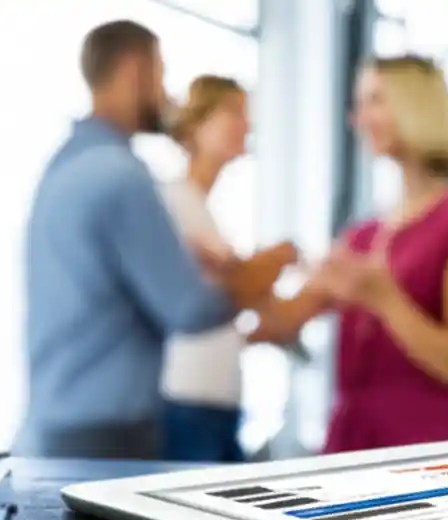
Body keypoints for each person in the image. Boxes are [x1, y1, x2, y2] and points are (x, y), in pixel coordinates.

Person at [19, 20, 291, 460]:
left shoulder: (65, 168)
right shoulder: (123, 175)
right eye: (161, 74)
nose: (167, 95)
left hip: (59, 422)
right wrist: (264, 269)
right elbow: (190, 308)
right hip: (108, 433)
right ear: (134, 71)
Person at [251, 55, 448, 453]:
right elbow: (282, 322)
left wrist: (384, 298)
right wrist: (247, 278)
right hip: (350, 448)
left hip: (422, 450)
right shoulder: (364, 235)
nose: (359, 118)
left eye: (374, 100)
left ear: (415, 105)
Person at [159, 75, 257, 462]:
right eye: (233, 112)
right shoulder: (173, 203)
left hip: (218, 404)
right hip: (188, 403)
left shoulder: (204, 211)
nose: (246, 126)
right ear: (195, 125)